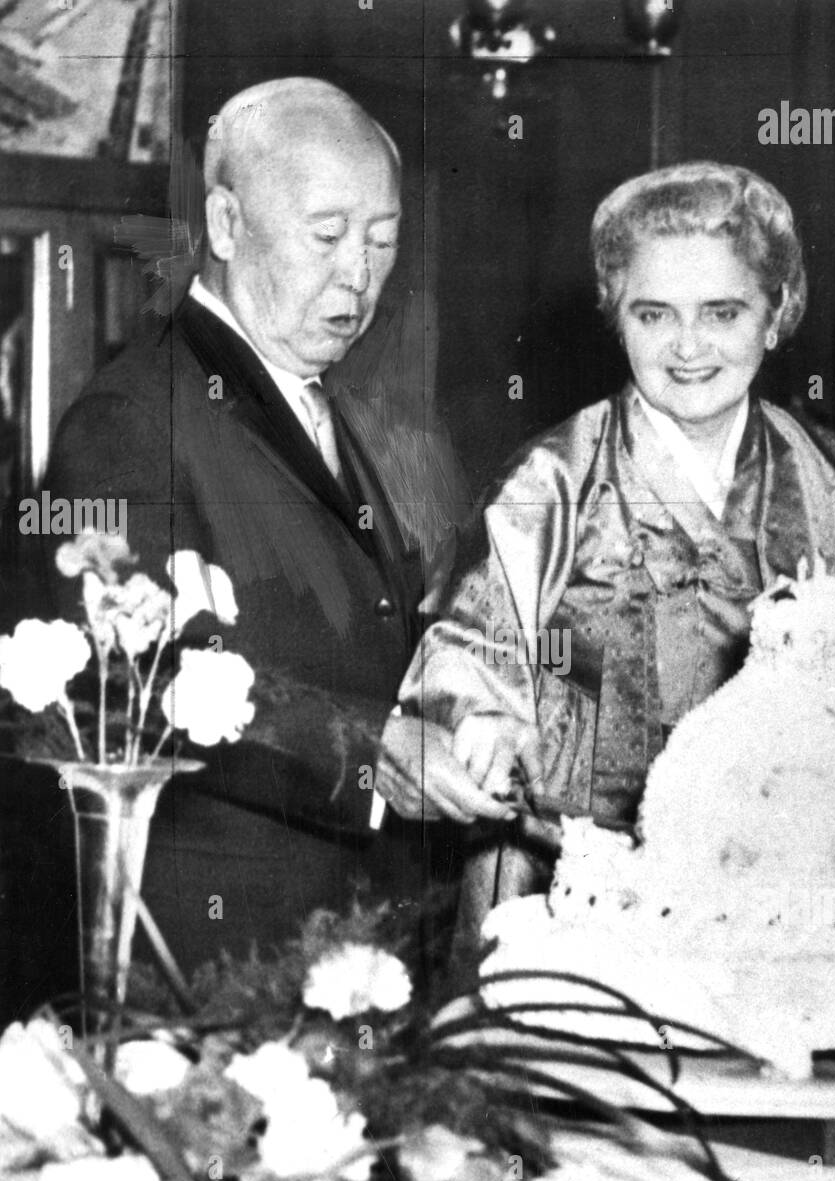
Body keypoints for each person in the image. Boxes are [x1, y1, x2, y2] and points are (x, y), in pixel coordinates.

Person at [12, 78, 503, 986]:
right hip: (216, 968)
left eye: (382, 241)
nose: (358, 275)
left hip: (349, 952)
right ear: (228, 225)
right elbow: (145, 680)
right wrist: (375, 755)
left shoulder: (339, 406)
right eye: (326, 236)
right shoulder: (131, 421)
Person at [387, 161, 835, 936]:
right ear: (615, 315)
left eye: (722, 313)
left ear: (776, 312)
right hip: (565, 889)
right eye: (653, 314)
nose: (687, 346)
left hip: (781, 900)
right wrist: (481, 724)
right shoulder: (554, 479)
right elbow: (464, 648)